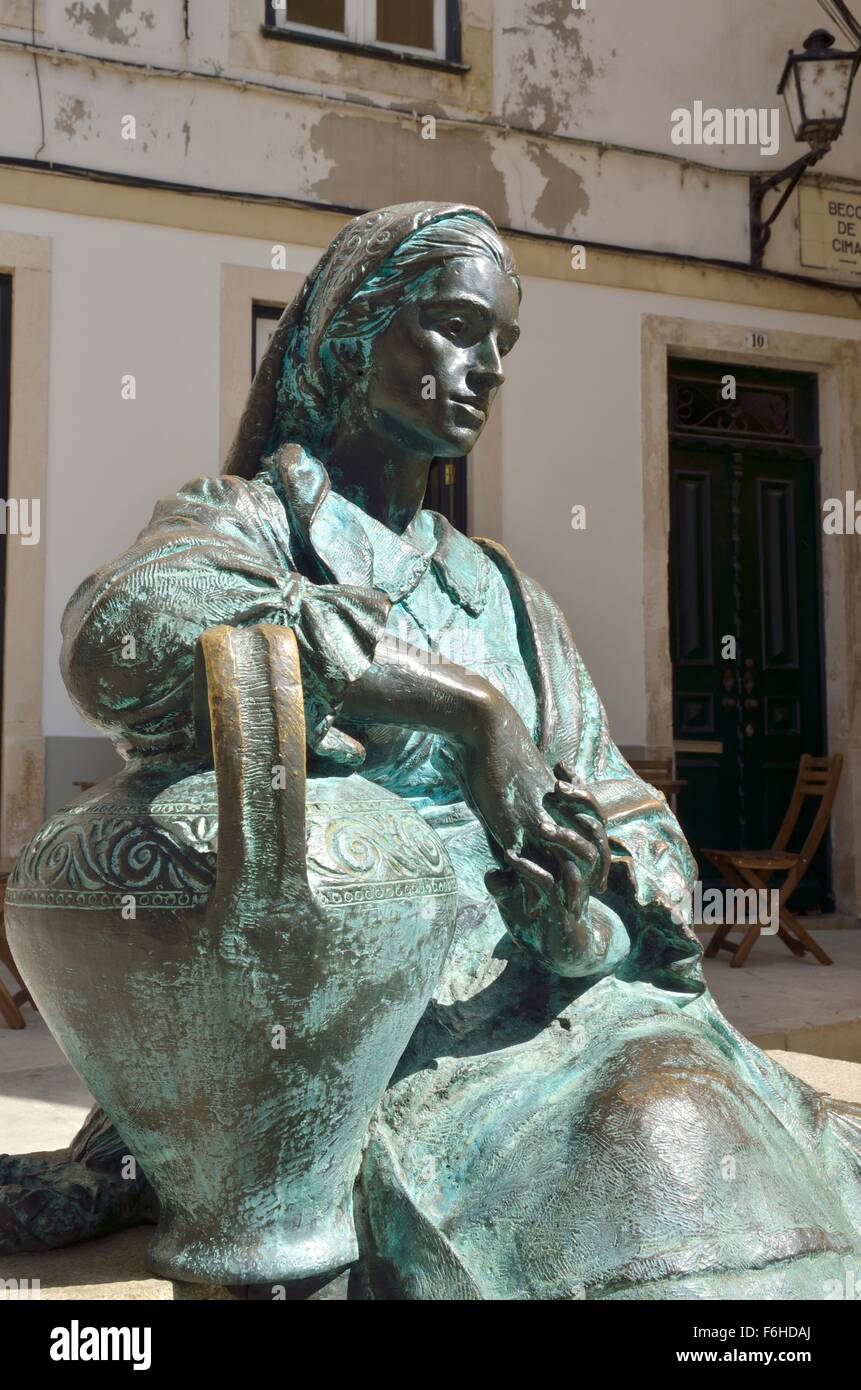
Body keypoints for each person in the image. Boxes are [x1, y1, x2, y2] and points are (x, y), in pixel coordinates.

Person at [7, 203, 861, 1298]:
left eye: (502, 343)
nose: (487, 369)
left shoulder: (501, 590)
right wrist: (466, 709)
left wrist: (590, 898)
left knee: (711, 1130)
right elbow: (123, 633)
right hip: (374, 1030)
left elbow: (625, 809)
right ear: (353, 333)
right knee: (662, 1138)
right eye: (454, 327)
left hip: (553, 990)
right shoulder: (249, 525)